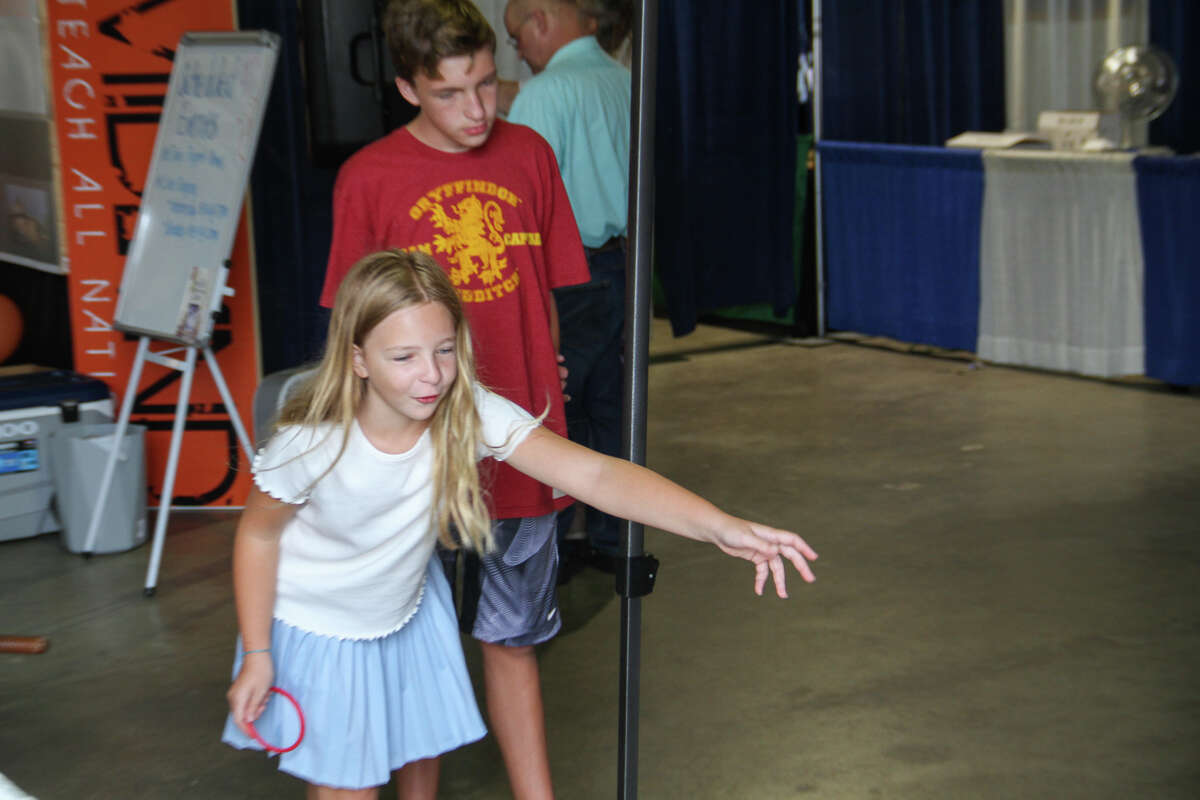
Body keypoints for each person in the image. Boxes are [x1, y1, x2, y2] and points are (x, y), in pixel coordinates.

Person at [223, 250, 819, 798]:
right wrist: (256, 652)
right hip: (324, 626)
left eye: (444, 348)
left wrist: (720, 527)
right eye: (402, 357)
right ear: (357, 359)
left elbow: (598, 477)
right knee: (349, 786)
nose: (430, 375)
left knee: (416, 756)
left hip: (404, 610)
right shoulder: (312, 446)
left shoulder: (466, 411)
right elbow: (258, 535)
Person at [318, 2, 591, 797]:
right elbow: (351, 331)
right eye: (449, 94)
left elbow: (543, 294)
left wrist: (550, 377)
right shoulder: (368, 178)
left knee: (513, 639)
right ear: (406, 87)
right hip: (414, 456)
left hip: (523, 446)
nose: (477, 111)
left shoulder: (531, 153)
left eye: (485, 85)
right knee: (411, 643)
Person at [503, 0, 632, 567]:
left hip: (566, 271)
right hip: (622, 261)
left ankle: (551, 547)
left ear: (541, 19)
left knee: (550, 407)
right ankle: (613, 537)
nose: (519, 52)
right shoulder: (625, 80)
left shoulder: (545, 94)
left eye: (516, 36)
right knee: (611, 405)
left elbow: (518, 198)